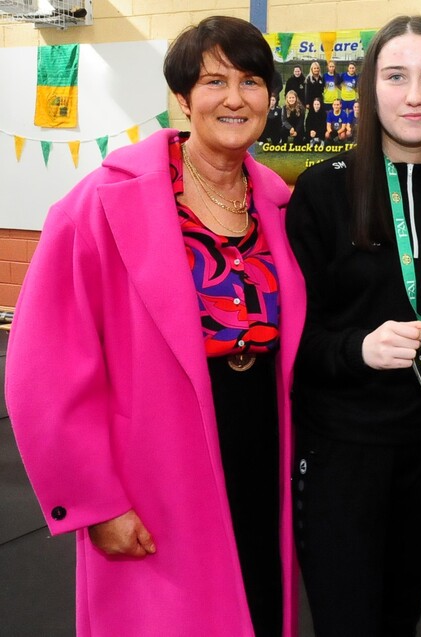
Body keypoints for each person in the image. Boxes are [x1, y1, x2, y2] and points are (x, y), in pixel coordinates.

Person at [5, 15, 306, 637]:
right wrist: (94, 501)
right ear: (181, 98)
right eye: (214, 81)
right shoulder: (101, 203)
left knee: (256, 597)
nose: (234, 98)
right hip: (152, 459)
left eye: (252, 82)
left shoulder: (280, 204)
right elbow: (45, 367)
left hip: (260, 436)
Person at [285, 15, 421, 637]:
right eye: (396, 76)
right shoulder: (321, 191)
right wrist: (356, 349)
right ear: (370, 88)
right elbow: (288, 344)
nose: (414, 95)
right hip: (342, 450)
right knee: (347, 620)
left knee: (399, 620)